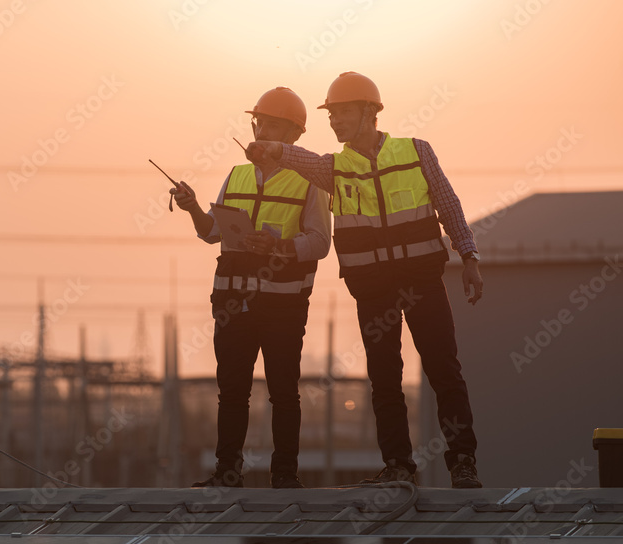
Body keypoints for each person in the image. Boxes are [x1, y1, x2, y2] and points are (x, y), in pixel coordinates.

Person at [246, 72, 484, 489]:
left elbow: (448, 202)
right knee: (385, 379)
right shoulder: (334, 168)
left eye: (342, 113)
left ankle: (462, 461)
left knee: (444, 370)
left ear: (370, 112)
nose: (335, 122)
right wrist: (273, 148)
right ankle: (398, 466)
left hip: (422, 281)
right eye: (331, 116)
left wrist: (469, 255)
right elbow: (303, 161)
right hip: (373, 289)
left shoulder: (415, 152)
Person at [171, 87, 331, 489]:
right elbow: (212, 232)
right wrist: (192, 207)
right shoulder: (237, 174)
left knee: (283, 392)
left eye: (273, 126)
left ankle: (284, 476)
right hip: (233, 302)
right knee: (232, 391)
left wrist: (279, 246)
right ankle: (227, 473)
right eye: (260, 123)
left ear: (294, 135)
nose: (261, 131)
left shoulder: (310, 181)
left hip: (283, 306)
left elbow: (320, 242)